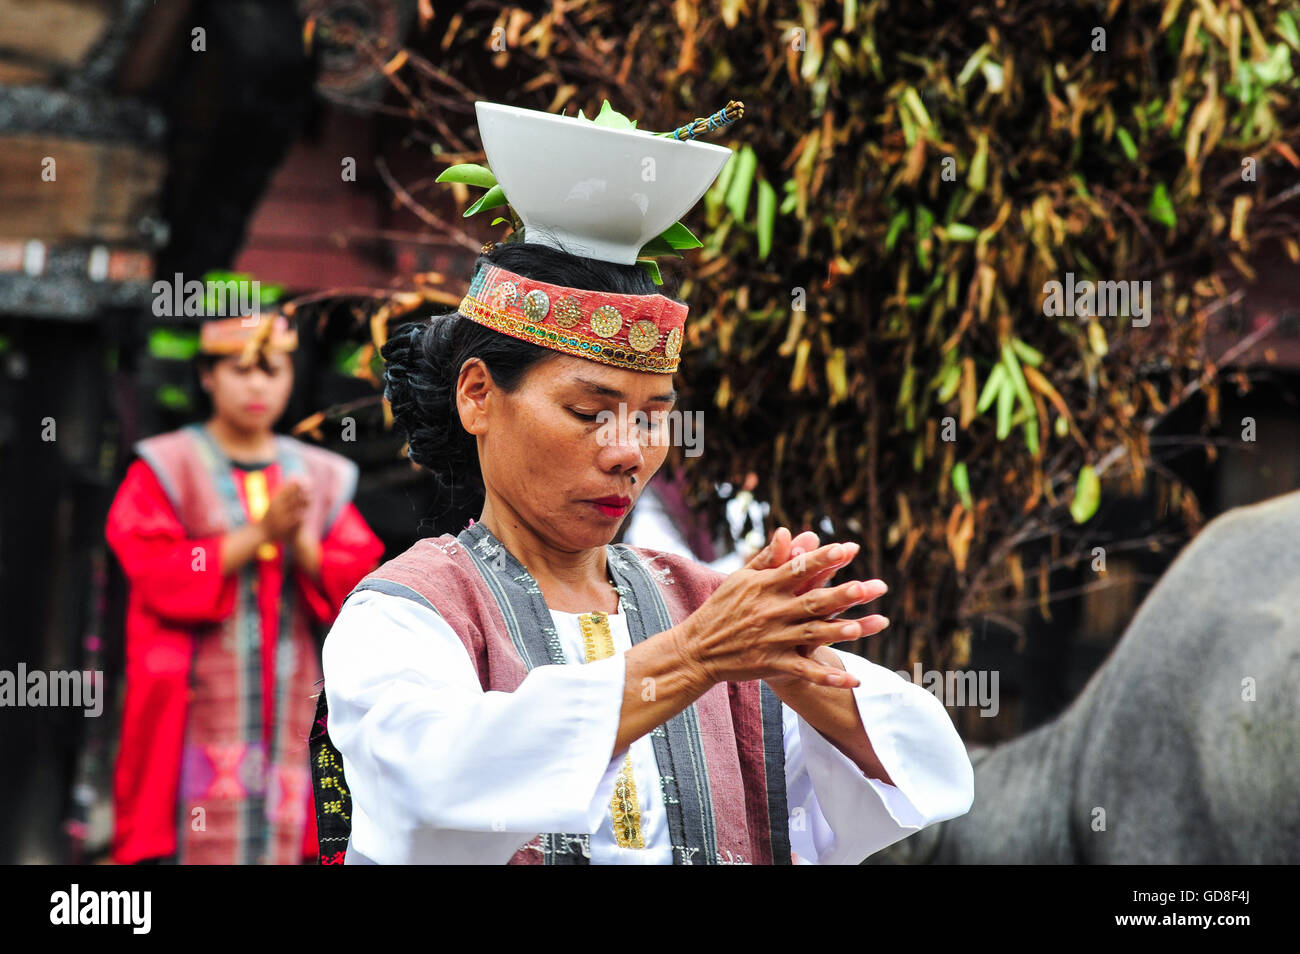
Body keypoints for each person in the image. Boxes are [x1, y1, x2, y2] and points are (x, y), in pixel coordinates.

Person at [316, 99, 974, 865]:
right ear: (478, 395)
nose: (630, 452)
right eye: (590, 411)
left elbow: (927, 767)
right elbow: (437, 781)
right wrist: (693, 657)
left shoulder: (714, 611)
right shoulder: (406, 614)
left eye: (653, 416)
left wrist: (795, 665)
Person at [105, 312, 385, 864]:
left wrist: (302, 545)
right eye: (239, 370)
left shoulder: (319, 474)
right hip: (189, 694)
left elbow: (360, 581)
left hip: (292, 686)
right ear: (207, 376)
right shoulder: (165, 466)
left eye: (272, 370)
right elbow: (155, 567)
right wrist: (259, 534)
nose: (257, 385)